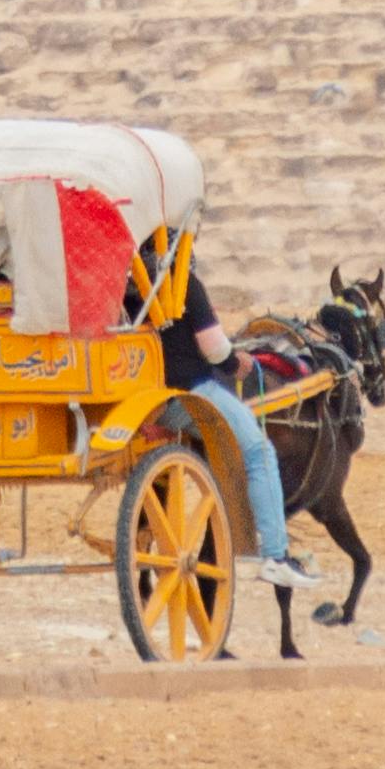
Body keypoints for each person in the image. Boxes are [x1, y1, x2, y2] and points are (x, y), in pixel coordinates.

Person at [148, 228, 319, 646]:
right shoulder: (183, 283)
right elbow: (212, 348)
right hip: (188, 392)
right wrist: (236, 360)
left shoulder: (129, 284)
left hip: (137, 390)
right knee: (260, 450)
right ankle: (276, 554)